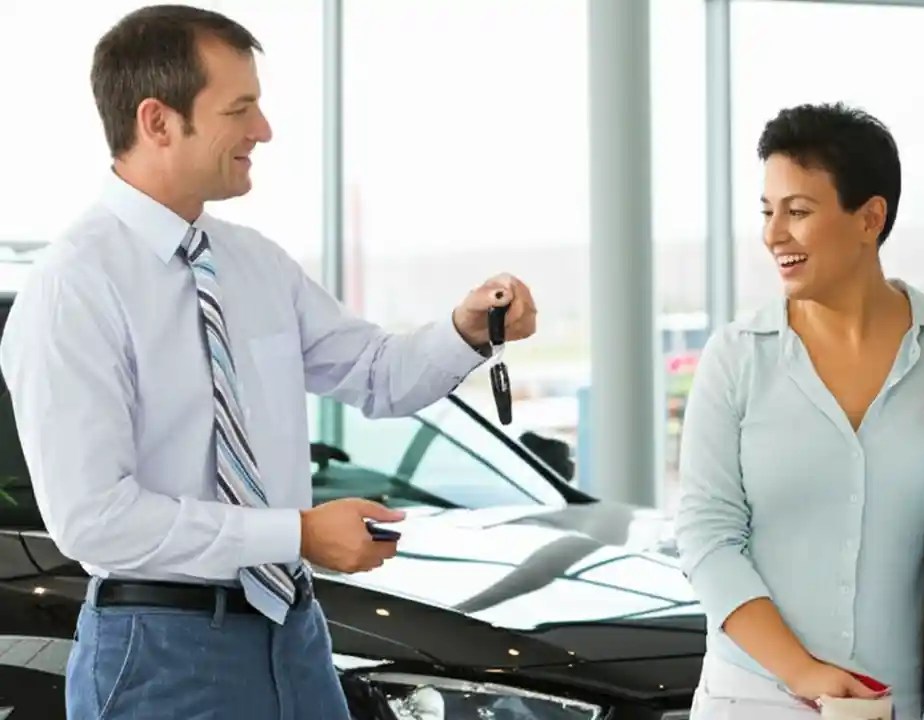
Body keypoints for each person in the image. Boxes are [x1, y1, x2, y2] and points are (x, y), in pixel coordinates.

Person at [0, 6, 536, 719]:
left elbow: (376, 373)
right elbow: (96, 518)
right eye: (240, 108)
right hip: (159, 654)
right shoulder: (73, 288)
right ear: (158, 122)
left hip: (294, 639)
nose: (264, 130)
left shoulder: (254, 264)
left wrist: (465, 330)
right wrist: (299, 534)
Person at [676, 102, 924, 720]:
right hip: (752, 695)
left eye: (799, 211)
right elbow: (707, 538)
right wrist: (804, 673)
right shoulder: (737, 357)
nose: (773, 234)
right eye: (767, 212)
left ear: (870, 218)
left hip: (900, 702)